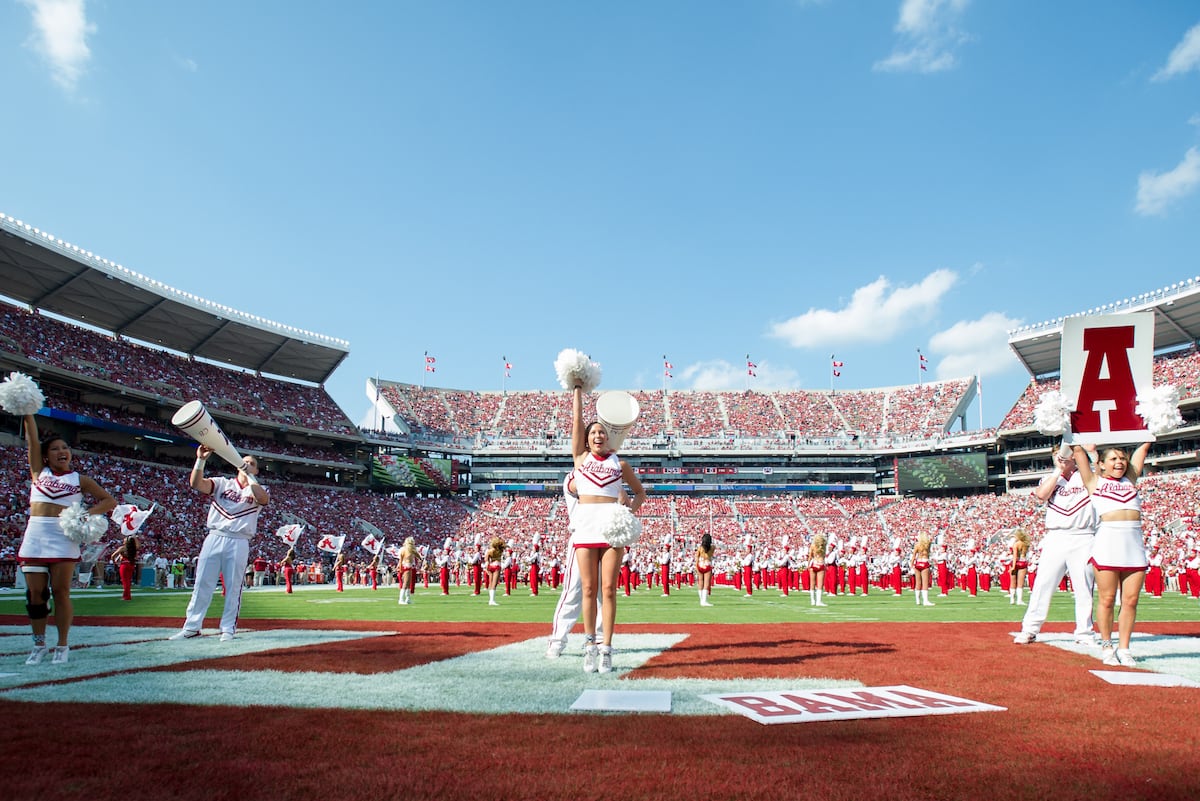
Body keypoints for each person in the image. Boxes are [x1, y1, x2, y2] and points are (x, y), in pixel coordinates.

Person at [18, 414, 117, 665]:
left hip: (63, 538)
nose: (62, 451)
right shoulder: (38, 472)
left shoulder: (80, 480)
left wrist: (85, 514)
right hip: (36, 536)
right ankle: (39, 644)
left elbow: (109, 501)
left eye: (65, 447)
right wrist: (29, 414)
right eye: (55, 448)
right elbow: (31, 440)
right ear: (46, 455)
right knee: (35, 594)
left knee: (61, 592)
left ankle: (62, 645)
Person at [569, 383, 646, 674]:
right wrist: (577, 389)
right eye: (593, 433)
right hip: (586, 526)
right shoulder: (580, 459)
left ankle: (607, 650)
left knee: (609, 589)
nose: (598, 435)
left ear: (608, 437)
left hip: (612, 530)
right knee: (588, 589)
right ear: (587, 441)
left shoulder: (620, 463)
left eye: (601, 432)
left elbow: (640, 494)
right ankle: (589, 646)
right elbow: (576, 422)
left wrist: (627, 516)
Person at [169, 446, 269, 642]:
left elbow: (263, 499)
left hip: (239, 539)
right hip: (215, 535)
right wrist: (200, 460)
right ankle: (192, 626)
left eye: (252, 464)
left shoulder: (259, 487)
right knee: (202, 583)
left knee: (233, 587)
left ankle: (228, 628)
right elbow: (196, 484)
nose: (247, 464)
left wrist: (250, 477)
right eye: (245, 461)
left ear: (256, 470)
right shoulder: (222, 483)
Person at [1072, 441, 1152, 666]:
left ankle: (1124, 648)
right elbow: (1077, 451)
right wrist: (1082, 445)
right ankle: (1107, 646)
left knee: (1131, 600)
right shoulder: (1094, 481)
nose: (1119, 462)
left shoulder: (1131, 479)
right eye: (1113, 459)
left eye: (1122, 458)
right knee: (1107, 599)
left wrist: (1151, 428)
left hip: (1134, 544)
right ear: (1102, 464)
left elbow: (1143, 448)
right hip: (1108, 542)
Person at [910, 533, 935, 607]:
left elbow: (914, 556)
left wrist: (911, 565)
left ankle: (917, 600)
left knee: (918, 582)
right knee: (925, 583)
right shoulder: (927, 544)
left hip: (917, 563)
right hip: (924, 563)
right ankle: (925, 601)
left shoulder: (917, 545)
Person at [112, 535, 139, 601]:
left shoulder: (122, 548)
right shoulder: (134, 548)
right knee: (128, 581)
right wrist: (135, 538)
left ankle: (127, 597)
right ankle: (126, 596)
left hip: (124, 565)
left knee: (125, 582)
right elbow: (138, 545)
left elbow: (113, 555)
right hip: (131, 565)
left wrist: (115, 562)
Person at [1009, 529, 1032, 606]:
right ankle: (1019, 600)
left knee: (1013, 582)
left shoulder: (1016, 544)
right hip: (1023, 562)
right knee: (1020, 583)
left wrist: (1013, 566)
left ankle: (1012, 599)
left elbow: (1015, 556)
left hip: (1016, 562)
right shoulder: (1025, 544)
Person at [397, 537, 419, 605]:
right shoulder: (403, 549)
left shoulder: (412, 549)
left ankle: (408, 599)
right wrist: (400, 568)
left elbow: (417, 555)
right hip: (405, 566)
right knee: (405, 583)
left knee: (409, 583)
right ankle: (401, 599)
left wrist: (420, 558)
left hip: (410, 566)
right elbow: (400, 560)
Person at [695, 533, 715, 607]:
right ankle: (704, 601)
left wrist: (696, 566)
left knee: (700, 582)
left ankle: (701, 600)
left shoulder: (700, 548)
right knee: (706, 584)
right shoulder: (712, 547)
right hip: (707, 564)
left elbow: (696, 557)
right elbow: (711, 554)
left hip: (700, 564)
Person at [808, 535, 828, 607]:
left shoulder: (813, 546)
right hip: (821, 564)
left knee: (812, 583)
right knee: (820, 584)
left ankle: (812, 601)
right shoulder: (824, 546)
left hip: (813, 564)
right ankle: (818, 601)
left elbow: (810, 556)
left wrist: (808, 565)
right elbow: (824, 556)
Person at [485, 536, 505, 606]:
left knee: (490, 584)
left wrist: (486, 567)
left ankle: (490, 600)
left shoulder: (490, 551)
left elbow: (486, 560)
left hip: (491, 566)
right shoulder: (500, 550)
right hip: (496, 566)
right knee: (494, 584)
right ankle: (492, 600)